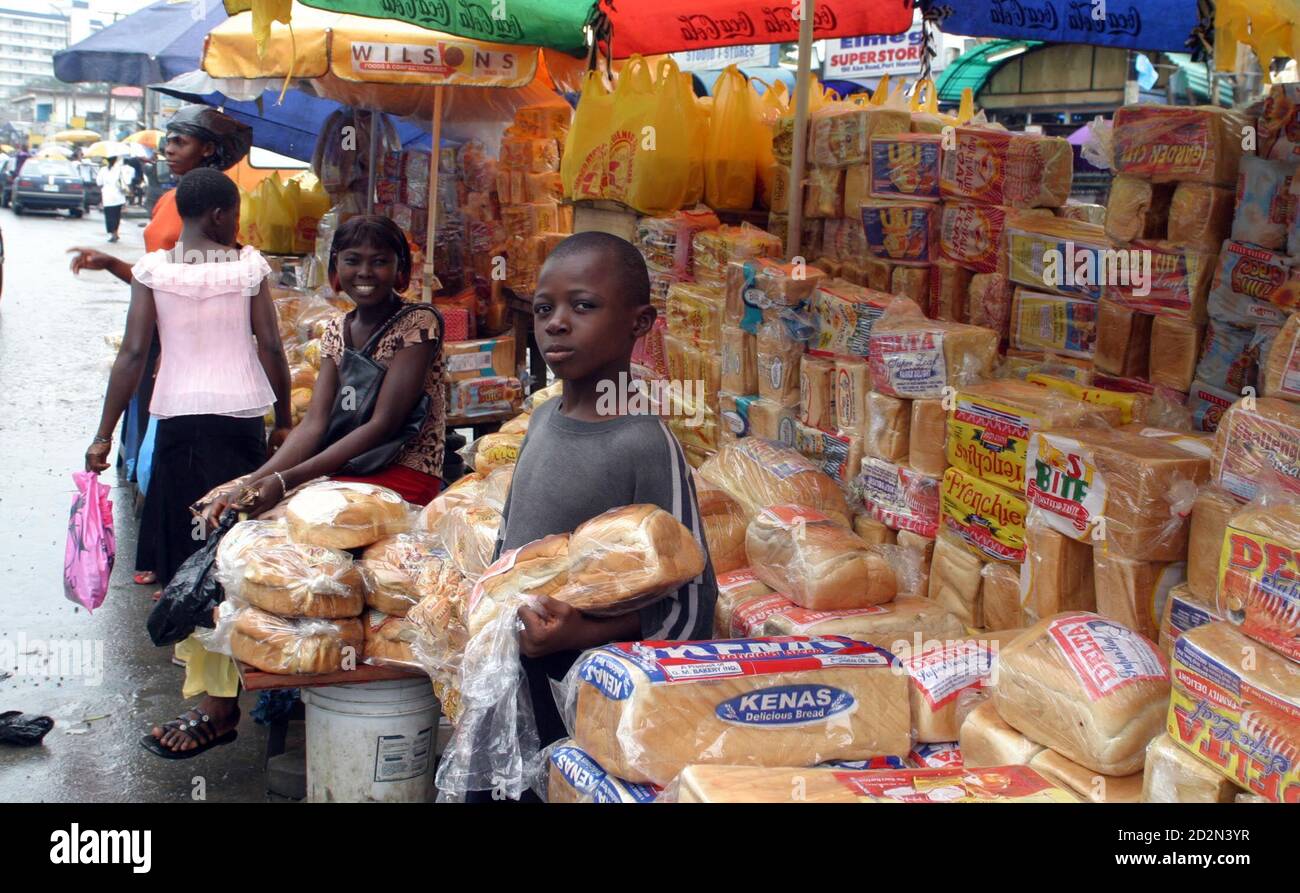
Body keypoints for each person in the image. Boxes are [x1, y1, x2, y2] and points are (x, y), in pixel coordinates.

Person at [169, 215, 446, 759]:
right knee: (225, 535)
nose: (366, 272)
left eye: (379, 261)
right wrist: (251, 481)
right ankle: (216, 698)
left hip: (400, 478)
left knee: (264, 545)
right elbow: (315, 424)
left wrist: (285, 481)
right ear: (335, 270)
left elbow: (383, 425)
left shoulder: (420, 323)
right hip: (341, 475)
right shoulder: (337, 331)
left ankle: (225, 709)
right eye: (353, 261)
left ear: (401, 270)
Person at [474, 231, 718, 801]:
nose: (557, 323)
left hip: (590, 701)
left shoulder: (644, 442)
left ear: (640, 323)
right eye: (543, 309)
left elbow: (692, 607)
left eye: (583, 306)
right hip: (515, 685)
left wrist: (581, 631)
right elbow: (510, 551)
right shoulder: (540, 420)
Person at [85, 167, 291, 758]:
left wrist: (103, 435)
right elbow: (272, 346)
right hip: (238, 426)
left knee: (188, 563)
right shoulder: (249, 269)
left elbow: (131, 354)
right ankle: (220, 694)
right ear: (224, 215)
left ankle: (215, 698)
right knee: (229, 560)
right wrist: (285, 422)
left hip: (176, 425)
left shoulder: (153, 270)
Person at [69, 107, 253, 589]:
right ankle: (173, 567)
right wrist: (114, 265)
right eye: (167, 141)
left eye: (180, 141)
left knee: (186, 463)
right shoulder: (169, 199)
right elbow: (157, 272)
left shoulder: (219, 206)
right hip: (165, 345)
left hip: (191, 354)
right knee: (171, 462)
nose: (168, 148)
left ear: (209, 149)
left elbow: (200, 272)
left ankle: (193, 576)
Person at [97, 154, 132, 242]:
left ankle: (113, 233)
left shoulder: (103, 170)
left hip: (108, 196)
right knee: (116, 216)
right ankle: (115, 232)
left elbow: (99, 182)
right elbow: (127, 180)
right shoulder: (119, 169)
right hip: (118, 196)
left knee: (109, 216)